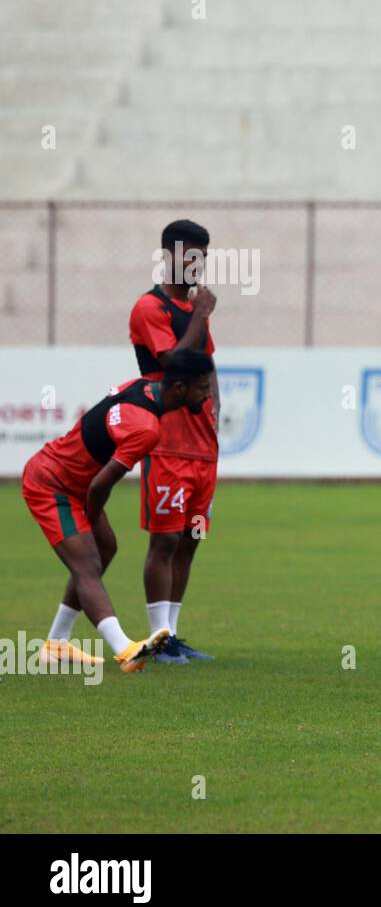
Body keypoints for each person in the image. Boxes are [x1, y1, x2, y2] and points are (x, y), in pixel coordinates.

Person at [25, 351, 216, 672]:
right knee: (88, 563)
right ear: (180, 389)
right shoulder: (147, 429)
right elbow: (100, 485)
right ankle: (126, 649)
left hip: (75, 484)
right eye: (203, 387)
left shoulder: (141, 388)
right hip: (52, 483)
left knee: (105, 548)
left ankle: (57, 643)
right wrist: (89, 516)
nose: (208, 394)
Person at [128, 218, 219, 663]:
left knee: (190, 540)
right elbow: (177, 363)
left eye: (201, 255)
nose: (195, 263)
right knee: (163, 542)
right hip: (166, 445)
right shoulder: (151, 308)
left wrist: (215, 410)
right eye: (188, 254)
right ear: (167, 255)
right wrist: (200, 314)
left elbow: (205, 364)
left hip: (203, 449)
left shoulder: (193, 309)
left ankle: (173, 634)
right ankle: (156, 637)